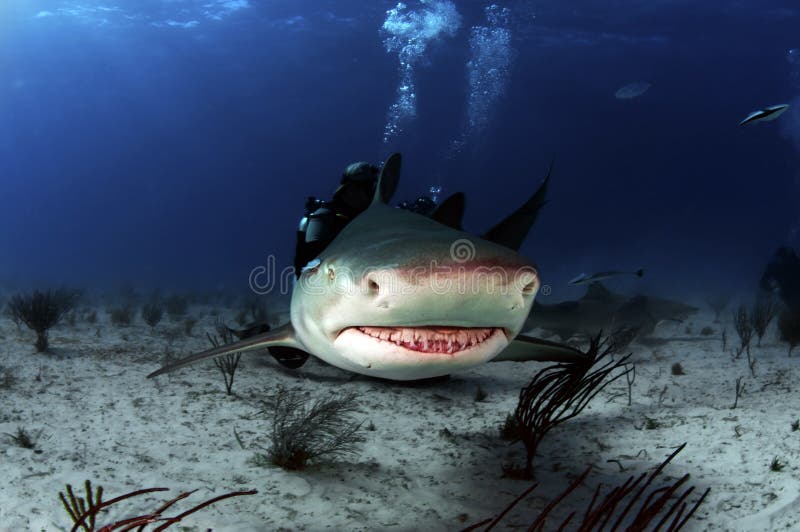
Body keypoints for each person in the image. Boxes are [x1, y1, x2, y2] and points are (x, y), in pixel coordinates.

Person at [294, 161, 379, 277]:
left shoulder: (366, 218)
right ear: (350, 189)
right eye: (369, 190)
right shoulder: (324, 216)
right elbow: (308, 266)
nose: (372, 195)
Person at [760, 246, 800, 312]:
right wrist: (774, 288)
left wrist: (774, 288)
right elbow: (762, 283)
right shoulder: (776, 268)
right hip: (790, 299)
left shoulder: (795, 262)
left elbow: (763, 282)